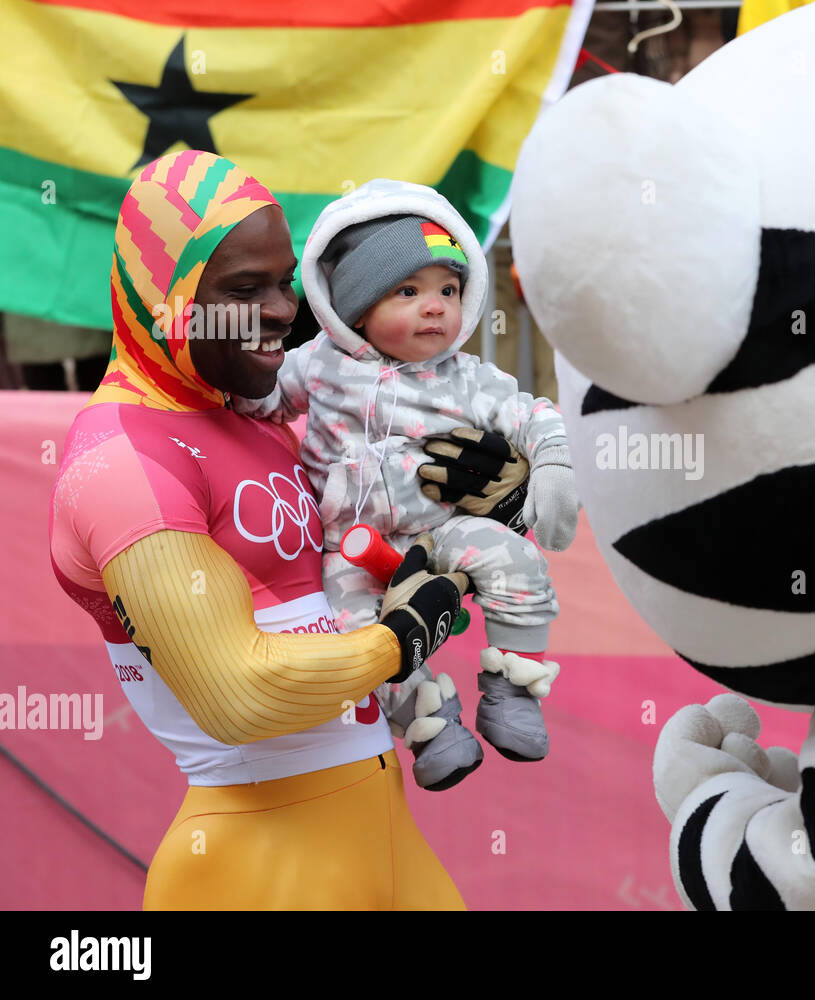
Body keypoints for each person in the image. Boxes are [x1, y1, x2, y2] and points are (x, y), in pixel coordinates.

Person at [47, 149, 525, 910]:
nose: (283, 310)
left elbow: (388, 543)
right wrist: (399, 639)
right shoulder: (121, 456)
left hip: (382, 833)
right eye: (245, 289)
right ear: (165, 300)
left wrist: (492, 502)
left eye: (284, 281)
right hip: (252, 863)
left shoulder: (251, 417)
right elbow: (237, 695)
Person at [236, 179, 580, 791]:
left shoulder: (466, 377)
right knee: (357, 639)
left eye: (449, 289)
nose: (436, 306)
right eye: (408, 290)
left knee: (518, 558)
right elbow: (257, 399)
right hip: (349, 545)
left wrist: (550, 461)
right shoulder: (318, 363)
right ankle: (431, 727)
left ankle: (513, 690)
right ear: (355, 308)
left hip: (443, 530)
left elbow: (532, 412)